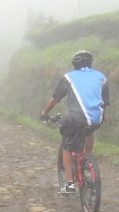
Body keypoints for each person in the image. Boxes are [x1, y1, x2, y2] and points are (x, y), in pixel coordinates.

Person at [40, 50, 109, 194]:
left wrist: (44, 113)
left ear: (74, 64)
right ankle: (87, 159)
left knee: (66, 146)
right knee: (89, 130)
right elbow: (104, 102)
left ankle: (70, 184)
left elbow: (55, 99)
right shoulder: (101, 77)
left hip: (76, 119)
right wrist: (101, 117)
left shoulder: (68, 77)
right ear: (90, 63)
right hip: (96, 119)